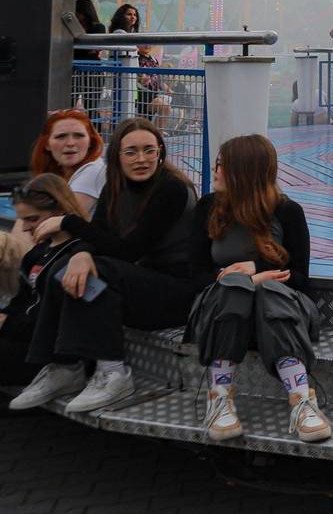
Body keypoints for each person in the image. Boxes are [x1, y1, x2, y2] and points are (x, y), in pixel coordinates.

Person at [9, 119, 203, 414]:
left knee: (104, 272)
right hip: (143, 285)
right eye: (131, 152)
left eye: (149, 150)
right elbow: (100, 235)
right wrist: (81, 255)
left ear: (161, 152)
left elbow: (129, 251)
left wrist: (68, 222)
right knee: (65, 268)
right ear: (117, 157)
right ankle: (64, 365)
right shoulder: (116, 187)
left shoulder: (172, 189)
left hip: (178, 293)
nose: (142, 159)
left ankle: (114, 371)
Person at [186, 134, 330, 444]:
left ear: (244, 172)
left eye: (222, 165)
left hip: (279, 313)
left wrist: (259, 272)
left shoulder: (287, 211)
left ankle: (301, 400)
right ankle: (220, 397)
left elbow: (301, 278)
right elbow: (194, 273)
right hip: (223, 312)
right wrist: (239, 280)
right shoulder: (207, 208)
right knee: (235, 287)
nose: (215, 170)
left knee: (269, 292)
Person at [0, 175, 89, 386]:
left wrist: (9, 323)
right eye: (22, 219)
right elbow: (22, 302)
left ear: (58, 213)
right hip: (25, 341)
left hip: (54, 356)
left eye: (32, 219)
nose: (24, 228)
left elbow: (68, 322)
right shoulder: (39, 252)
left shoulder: (78, 256)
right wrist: (6, 317)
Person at [28, 109, 107, 215]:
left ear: (91, 142)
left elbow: (60, 222)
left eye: (79, 136)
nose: (70, 143)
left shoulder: (94, 170)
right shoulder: (56, 172)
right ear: (47, 144)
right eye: (61, 136)